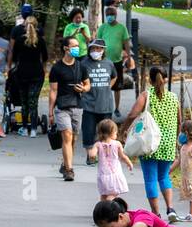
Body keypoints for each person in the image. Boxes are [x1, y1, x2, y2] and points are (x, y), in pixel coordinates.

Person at [120, 65, 179, 219]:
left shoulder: (146, 95)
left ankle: (156, 213)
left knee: (151, 178)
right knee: (164, 177)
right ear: (165, 79)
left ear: (150, 80)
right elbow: (179, 120)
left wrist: (123, 129)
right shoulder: (173, 97)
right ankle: (171, 209)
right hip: (168, 143)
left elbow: (133, 114)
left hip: (149, 142)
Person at [48, 35, 90, 182]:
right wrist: (50, 112)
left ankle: (65, 163)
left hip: (78, 106)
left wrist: (83, 89)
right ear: (66, 48)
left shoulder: (81, 66)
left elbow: (87, 84)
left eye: (78, 46)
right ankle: (69, 170)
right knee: (67, 136)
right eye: (74, 46)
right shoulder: (57, 68)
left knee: (73, 139)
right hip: (62, 107)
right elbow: (53, 91)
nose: (77, 48)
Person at [8, 14, 47, 137]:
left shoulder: (19, 40)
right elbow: (45, 57)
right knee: (33, 102)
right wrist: (44, 69)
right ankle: (34, 129)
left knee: (24, 102)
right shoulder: (40, 40)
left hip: (22, 73)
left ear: (24, 26)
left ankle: (24, 128)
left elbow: (14, 57)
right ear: (36, 27)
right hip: (37, 74)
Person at [80, 38, 117, 166]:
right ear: (89, 49)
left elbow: (114, 76)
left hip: (106, 105)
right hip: (89, 104)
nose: (95, 51)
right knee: (88, 131)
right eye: (93, 48)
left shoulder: (109, 63)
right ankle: (91, 156)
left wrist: (108, 87)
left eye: (98, 48)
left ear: (103, 50)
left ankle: (105, 156)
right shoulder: (84, 63)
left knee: (106, 132)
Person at [95, 6, 132, 117]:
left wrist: (129, 57)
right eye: (108, 15)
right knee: (103, 84)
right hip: (104, 61)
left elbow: (126, 43)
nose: (109, 17)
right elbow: (98, 42)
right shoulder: (103, 27)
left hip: (117, 61)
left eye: (111, 15)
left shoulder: (122, 28)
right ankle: (103, 106)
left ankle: (117, 108)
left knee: (117, 86)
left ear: (115, 15)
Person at [93, 118, 133, 201]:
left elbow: (92, 153)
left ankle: (102, 210)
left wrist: (92, 154)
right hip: (115, 174)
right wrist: (129, 163)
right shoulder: (117, 144)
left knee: (104, 194)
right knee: (113, 194)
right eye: (115, 132)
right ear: (111, 132)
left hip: (102, 175)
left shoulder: (98, 144)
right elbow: (123, 156)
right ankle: (108, 209)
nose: (116, 134)